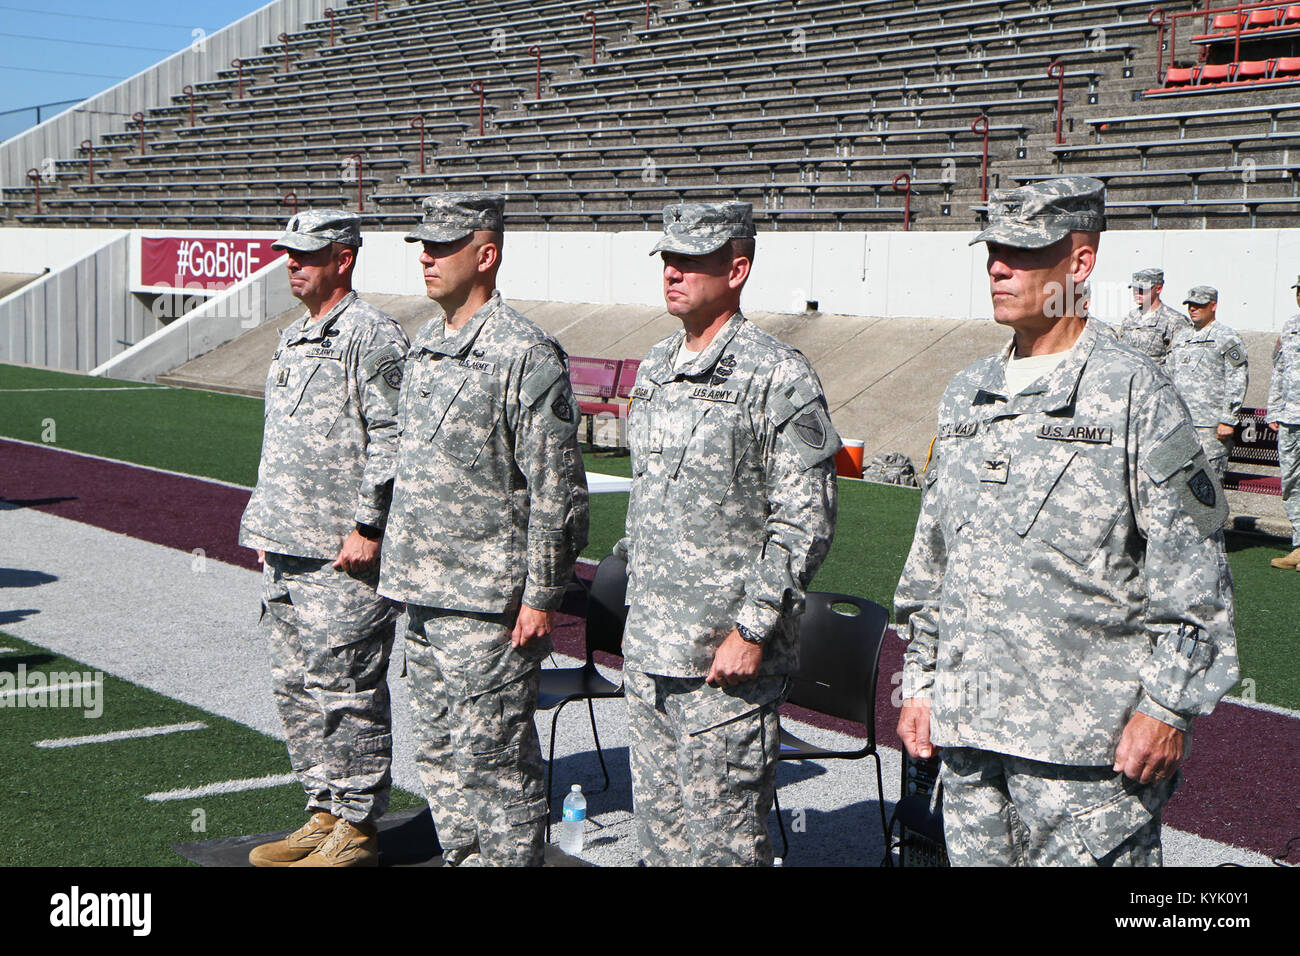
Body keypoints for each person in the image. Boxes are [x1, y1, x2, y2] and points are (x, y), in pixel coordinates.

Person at [895, 177, 1238, 866]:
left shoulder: (1135, 394)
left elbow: (1196, 577)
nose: (997, 265)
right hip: (970, 748)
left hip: (1087, 761)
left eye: (1021, 252)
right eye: (994, 249)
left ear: (1080, 263)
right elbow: (933, 561)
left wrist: (1167, 709)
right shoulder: (968, 393)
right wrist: (921, 682)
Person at [617, 201, 840, 866]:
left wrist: (753, 627)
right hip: (652, 650)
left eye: (693, 261)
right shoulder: (657, 366)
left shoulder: (776, 373)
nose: (674, 273)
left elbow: (807, 515)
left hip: (724, 660)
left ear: (737, 269)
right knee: (661, 844)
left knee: (723, 850)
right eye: (669, 260)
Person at [378, 193, 589, 866]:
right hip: (424, 595)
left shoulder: (523, 353)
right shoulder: (427, 346)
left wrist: (540, 597)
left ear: (486, 255)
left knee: (496, 770)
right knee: (441, 764)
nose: (426, 258)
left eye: (442, 247)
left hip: (489, 607)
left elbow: (558, 492)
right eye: (423, 246)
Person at [239, 209, 408, 867]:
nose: (292, 264)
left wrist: (370, 524)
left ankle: (359, 827)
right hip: (287, 547)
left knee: (347, 689)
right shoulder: (294, 338)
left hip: (343, 554)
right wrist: (267, 524)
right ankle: (323, 810)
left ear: (343, 259)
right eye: (288, 253)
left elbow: (395, 438)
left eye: (306, 254)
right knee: (297, 689)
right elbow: (284, 443)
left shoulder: (373, 337)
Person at [1167, 286, 1248, 482]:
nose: (1193, 309)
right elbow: (1168, 375)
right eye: (1190, 305)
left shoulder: (1226, 337)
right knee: (1183, 484)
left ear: (1213, 305)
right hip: (1182, 423)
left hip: (1211, 426)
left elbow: (1237, 378)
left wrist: (1228, 419)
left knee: (1211, 485)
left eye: (1199, 305)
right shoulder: (1181, 337)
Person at [1267, 275, 1300, 569]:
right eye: (1299, 291)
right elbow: (1279, 371)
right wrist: (1274, 410)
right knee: (1291, 482)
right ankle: (1299, 546)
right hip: (1290, 419)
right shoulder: (1290, 327)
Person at [1119, 267, 1192, 368]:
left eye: (1143, 289)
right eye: (1135, 289)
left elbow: (1180, 362)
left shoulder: (1174, 320)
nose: (1137, 293)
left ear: (1158, 289)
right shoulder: (1130, 318)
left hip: (1156, 380)